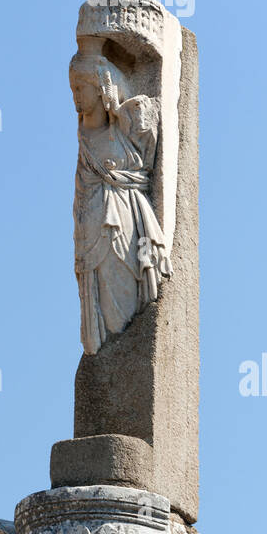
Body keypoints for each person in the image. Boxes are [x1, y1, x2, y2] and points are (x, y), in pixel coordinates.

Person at [69, 53, 171, 355]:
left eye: (80, 88)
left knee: (126, 293)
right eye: (73, 89)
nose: (76, 97)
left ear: (100, 88)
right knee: (100, 297)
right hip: (92, 231)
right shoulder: (84, 138)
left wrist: (117, 101)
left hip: (126, 222)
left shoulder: (125, 124)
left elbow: (146, 119)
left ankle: (129, 349)